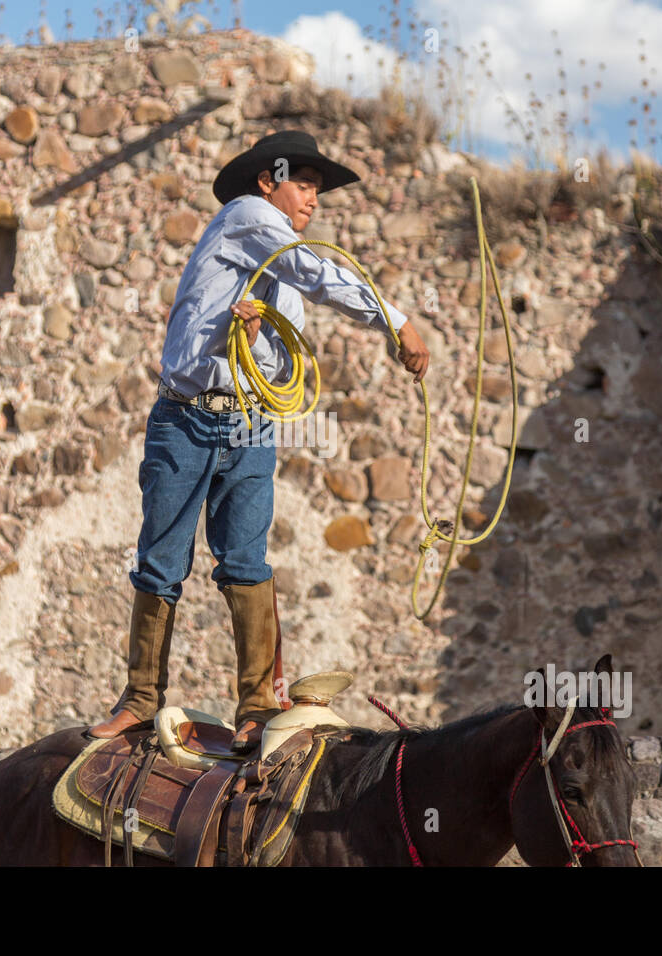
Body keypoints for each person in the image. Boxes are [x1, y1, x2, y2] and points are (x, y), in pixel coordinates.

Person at [88, 129, 430, 751]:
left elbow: (282, 358)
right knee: (163, 561)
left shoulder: (282, 267)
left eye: (318, 191)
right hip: (188, 417)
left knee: (245, 562)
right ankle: (140, 700)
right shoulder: (249, 215)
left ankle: (253, 708)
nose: (313, 202)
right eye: (305, 185)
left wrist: (258, 324)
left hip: (249, 422)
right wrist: (396, 321)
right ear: (267, 181)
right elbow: (313, 270)